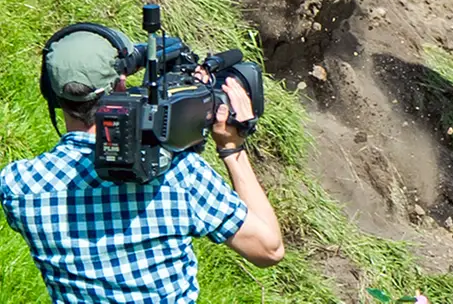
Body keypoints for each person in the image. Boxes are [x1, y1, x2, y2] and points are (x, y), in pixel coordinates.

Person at [2, 28, 285, 298]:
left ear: (50, 92)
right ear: (121, 85)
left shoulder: (18, 188)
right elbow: (269, 249)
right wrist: (231, 148)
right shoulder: (180, 176)